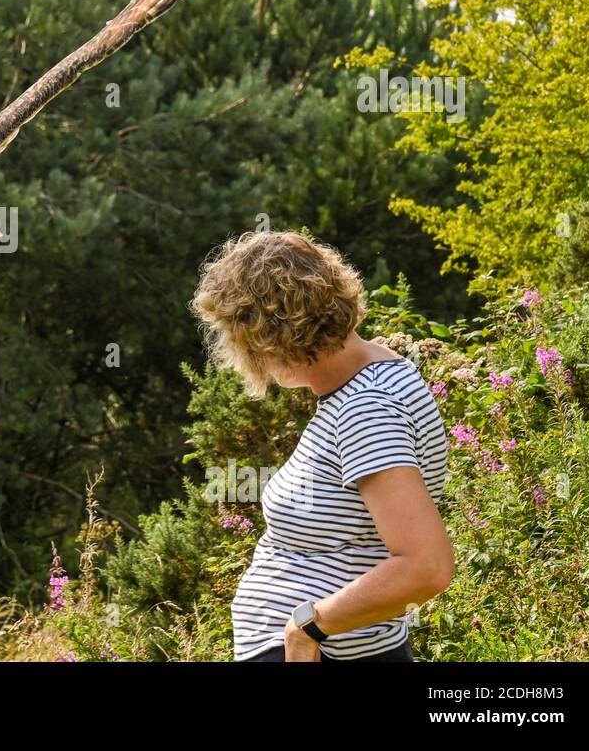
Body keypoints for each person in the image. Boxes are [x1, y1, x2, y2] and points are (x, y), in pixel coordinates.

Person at [190, 231, 453, 662]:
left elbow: (427, 566)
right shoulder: (381, 373)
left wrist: (306, 627)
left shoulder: (366, 408)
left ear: (269, 335)